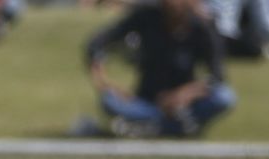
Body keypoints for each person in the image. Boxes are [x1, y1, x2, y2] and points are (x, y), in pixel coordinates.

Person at [83, 0, 237, 138]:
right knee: (110, 100)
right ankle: (174, 128)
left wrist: (183, 95)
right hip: (147, 101)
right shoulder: (147, 16)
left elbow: (217, 76)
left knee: (224, 96)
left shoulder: (201, 26)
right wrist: (105, 83)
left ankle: (154, 128)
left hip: (185, 105)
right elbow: (98, 42)